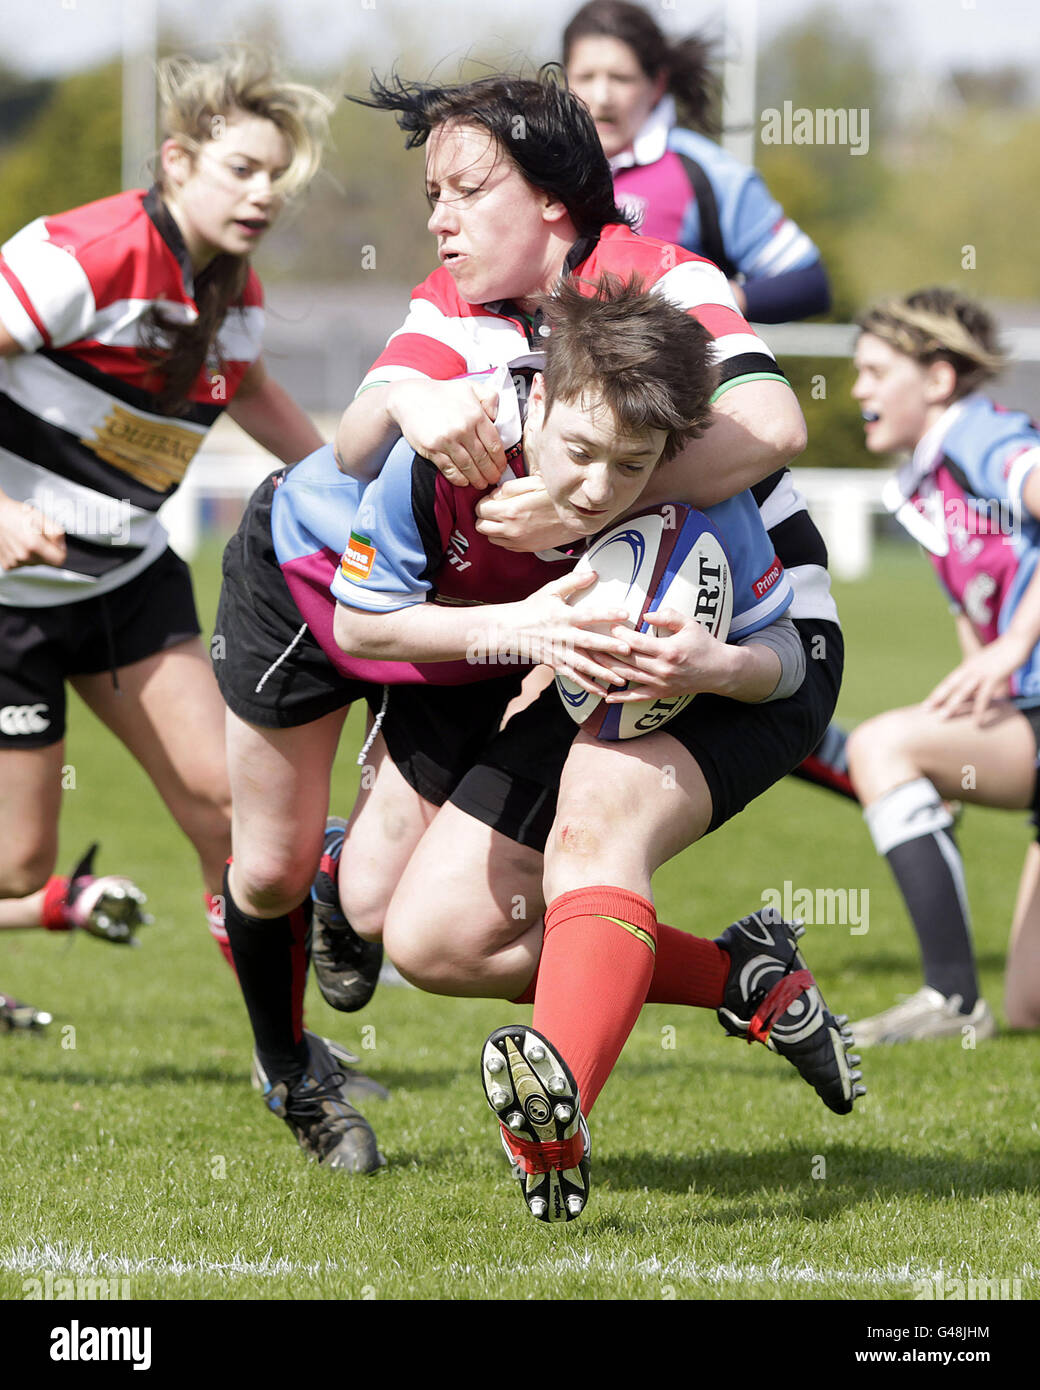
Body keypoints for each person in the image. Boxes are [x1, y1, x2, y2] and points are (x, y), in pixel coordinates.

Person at [312, 71, 860, 1221]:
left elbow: (772, 423)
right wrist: (412, 404)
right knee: (434, 936)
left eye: (464, 190)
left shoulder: (645, 273)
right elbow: (357, 439)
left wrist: (575, 510)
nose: (438, 219)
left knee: (596, 825)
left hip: (743, 622)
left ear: (551, 203)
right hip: (594, 638)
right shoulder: (459, 300)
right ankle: (746, 976)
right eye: (429, 194)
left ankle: (554, 1125)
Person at [216, 273, 726, 1173]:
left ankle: (340, 873)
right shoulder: (462, 435)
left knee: (376, 905)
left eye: (631, 466)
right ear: (540, 401)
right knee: (264, 873)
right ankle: (292, 1071)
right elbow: (361, 620)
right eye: (579, 451)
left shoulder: (654, 463)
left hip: (459, 646)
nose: (601, 484)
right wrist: (521, 630)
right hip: (311, 590)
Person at [0, 49, 332, 1021]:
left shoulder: (236, 292)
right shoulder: (80, 256)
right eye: (242, 168)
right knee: (19, 864)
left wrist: (343, 488)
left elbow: (252, 389)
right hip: (11, 601)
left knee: (228, 809)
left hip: (124, 584)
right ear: (176, 160)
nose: (262, 192)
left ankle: (292, 1057)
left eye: (276, 175)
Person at [845, 288, 1040, 1044]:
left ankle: (952, 1001)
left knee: (880, 744)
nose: (856, 389)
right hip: (1025, 714)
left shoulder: (980, 438)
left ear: (937, 380)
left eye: (873, 370)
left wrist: (1017, 647)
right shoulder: (925, 484)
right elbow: (976, 628)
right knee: (1029, 1004)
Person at [562, 0, 830, 324]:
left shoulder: (707, 171)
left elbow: (809, 283)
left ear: (657, 85)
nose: (602, 96)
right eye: (586, 76)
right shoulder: (538, 167)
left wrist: (704, 301)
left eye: (621, 78)